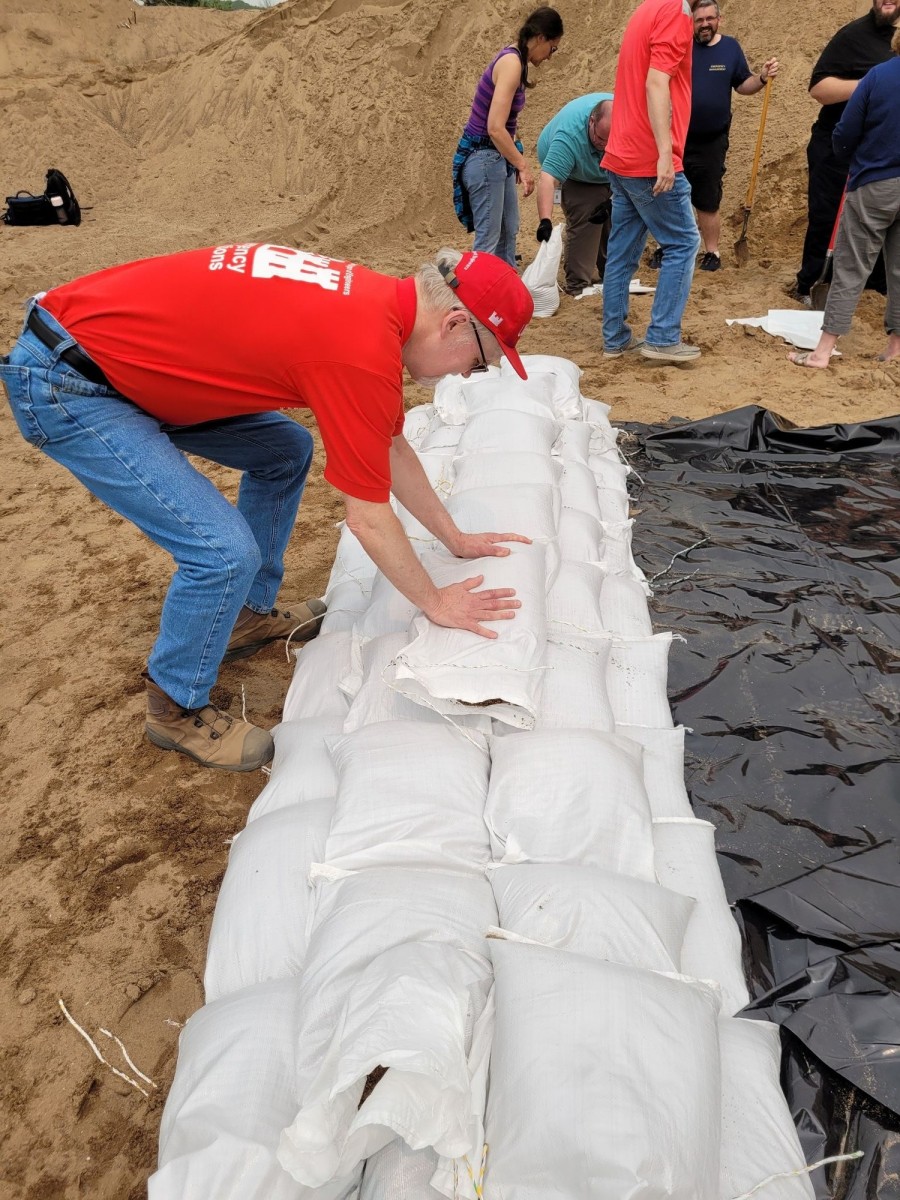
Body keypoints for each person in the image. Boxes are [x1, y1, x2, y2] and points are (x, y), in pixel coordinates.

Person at [0, 244, 534, 771]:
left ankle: (243, 618)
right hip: (71, 381)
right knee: (222, 551)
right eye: (480, 362)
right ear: (455, 323)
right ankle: (175, 708)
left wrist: (455, 540)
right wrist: (436, 603)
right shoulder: (358, 350)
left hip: (120, 358)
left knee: (285, 450)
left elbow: (392, 447)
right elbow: (368, 517)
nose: (468, 375)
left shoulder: (377, 305)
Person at [788, 26, 900, 369]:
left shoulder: (877, 76)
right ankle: (895, 348)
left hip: (874, 183)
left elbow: (845, 132)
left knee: (850, 268)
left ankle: (822, 352)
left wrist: (851, 155)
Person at [600, 0, 701, 363]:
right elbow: (656, 81)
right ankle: (662, 337)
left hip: (622, 153)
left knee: (622, 252)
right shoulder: (676, 12)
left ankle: (614, 338)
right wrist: (664, 154)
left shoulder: (647, 9)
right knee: (684, 243)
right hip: (646, 156)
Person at [670, 0, 778, 272]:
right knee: (671, 196)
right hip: (677, 137)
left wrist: (762, 78)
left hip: (712, 140)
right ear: (691, 22)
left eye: (709, 18)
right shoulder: (680, 46)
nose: (704, 24)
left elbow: (743, 85)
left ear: (720, 19)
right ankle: (668, 247)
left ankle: (712, 252)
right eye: (699, 19)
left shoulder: (730, 48)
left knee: (708, 198)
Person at [452, 7, 564, 269]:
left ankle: (502, 295)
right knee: (489, 242)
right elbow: (494, 127)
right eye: (552, 48)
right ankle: (475, 302)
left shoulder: (517, 62)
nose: (550, 57)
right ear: (540, 38)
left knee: (508, 230)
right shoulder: (512, 63)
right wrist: (523, 165)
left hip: (495, 158)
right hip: (484, 157)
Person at [534, 92, 614, 296]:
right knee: (587, 215)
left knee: (617, 217)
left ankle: (613, 274)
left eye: (609, 141)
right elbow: (548, 180)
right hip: (576, 171)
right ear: (591, 121)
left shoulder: (631, 125)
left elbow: (636, 173)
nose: (603, 145)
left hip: (611, 171)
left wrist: (612, 201)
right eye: (599, 138)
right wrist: (545, 221)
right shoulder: (569, 137)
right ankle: (578, 283)